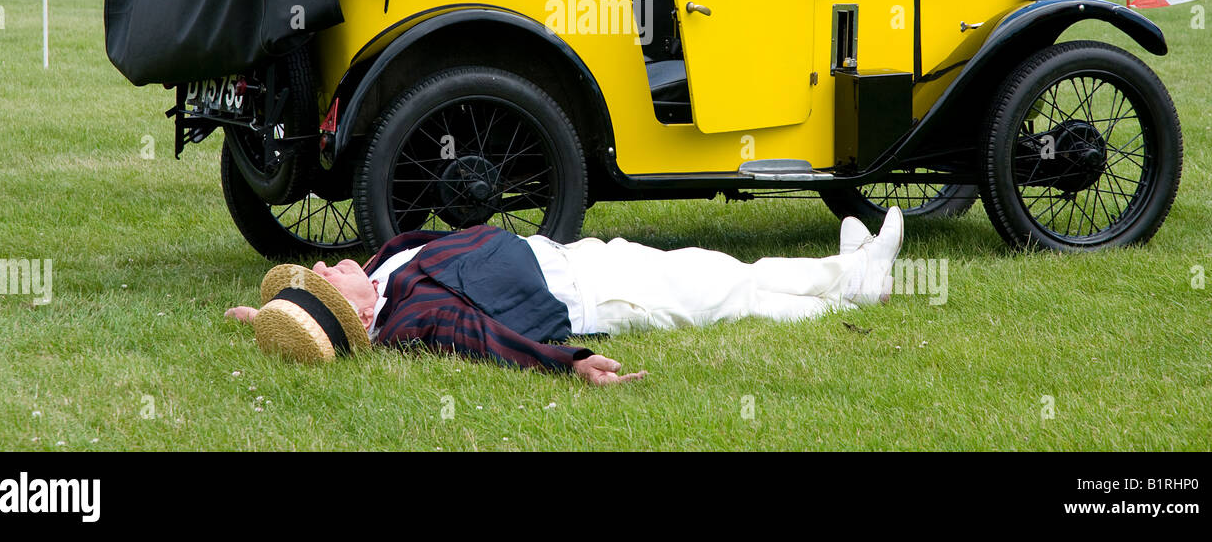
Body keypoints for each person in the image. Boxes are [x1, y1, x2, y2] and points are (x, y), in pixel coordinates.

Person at [226, 208, 905, 386]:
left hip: (574, 260)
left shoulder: (379, 272)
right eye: (323, 280)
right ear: (361, 314)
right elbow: (478, 337)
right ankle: (856, 287)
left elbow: (316, 322)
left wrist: (270, 312)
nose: (320, 262)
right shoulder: (409, 311)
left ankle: (843, 270)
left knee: (718, 267)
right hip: (591, 295)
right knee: (726, 291)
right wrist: (567, 362)